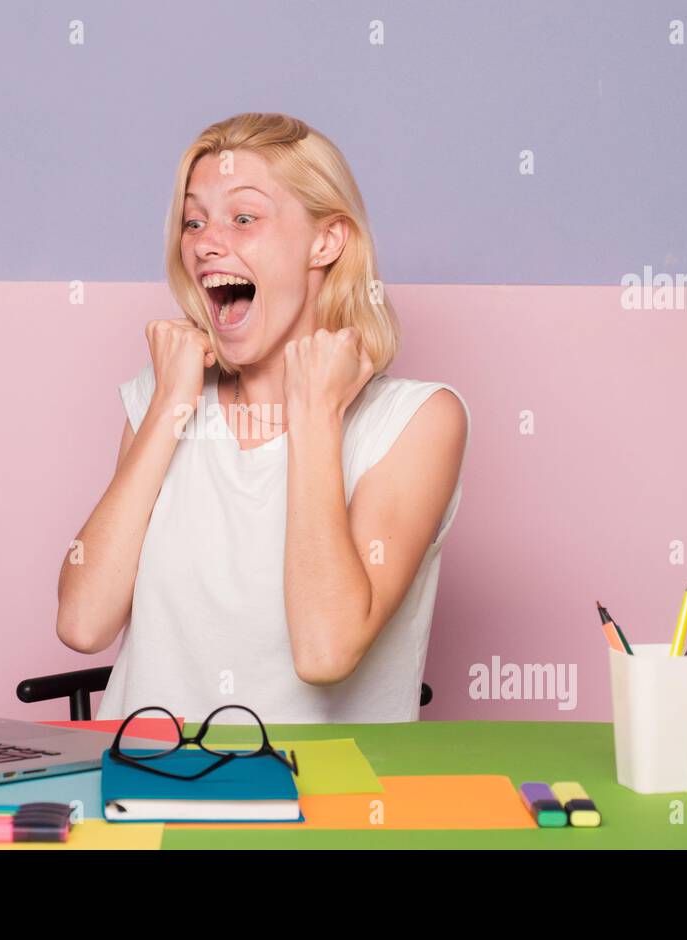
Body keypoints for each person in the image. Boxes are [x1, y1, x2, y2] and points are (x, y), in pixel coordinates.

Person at [57, 113, 470, 724]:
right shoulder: (164, 396)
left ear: (326, 242)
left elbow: (325, 652)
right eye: (193, 221)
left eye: (243, 218)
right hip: (142, 782)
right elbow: (83, 624)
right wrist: (170, 403)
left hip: (324, 802)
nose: (204, 242)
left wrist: (314, 418)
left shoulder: (416, 421)